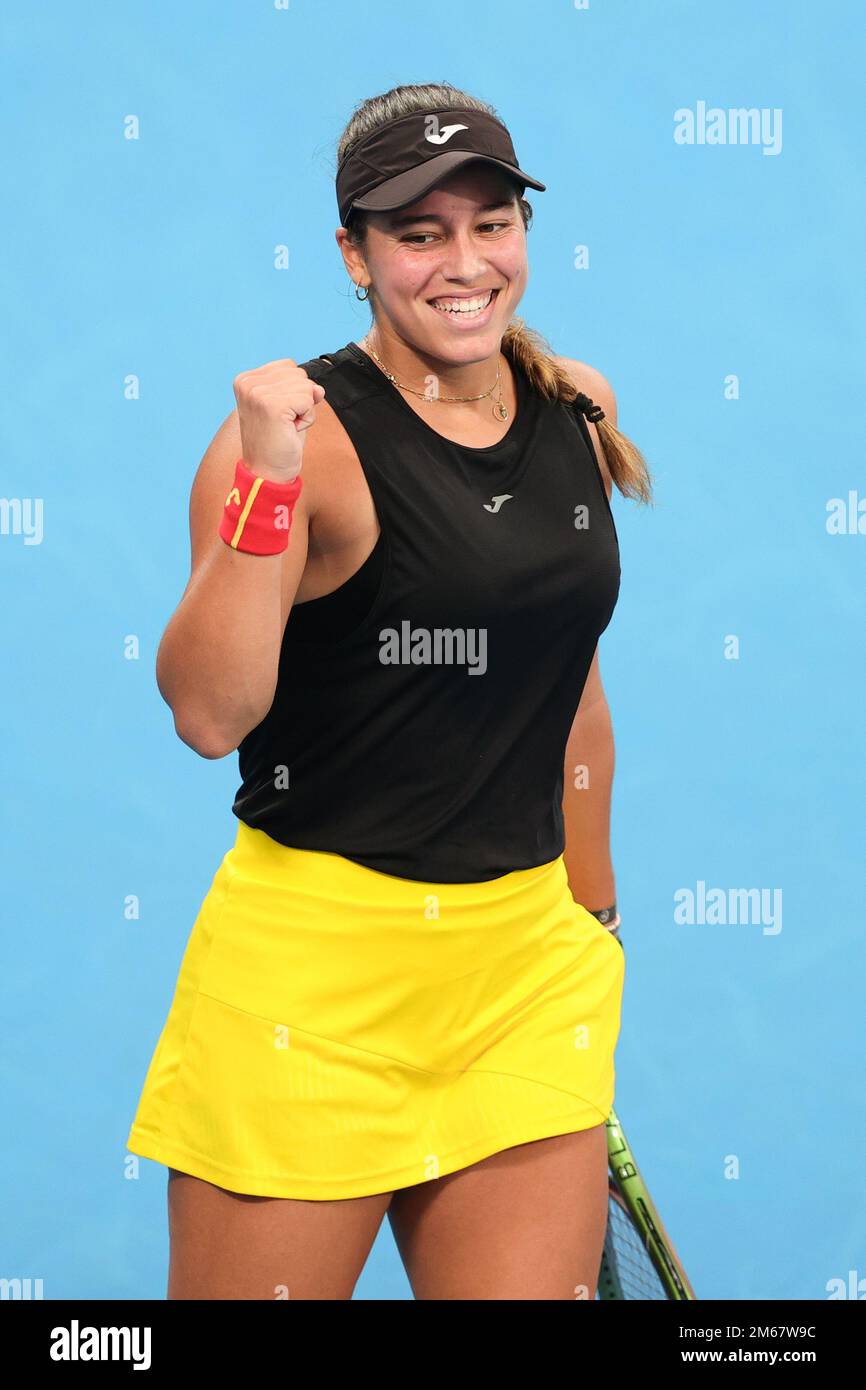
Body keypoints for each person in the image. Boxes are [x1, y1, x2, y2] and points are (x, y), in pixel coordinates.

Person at [125, 81, 654, 1301]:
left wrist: (594, 925)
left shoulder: (574, 408)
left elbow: (566, 690)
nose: (463, 263)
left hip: (523, 971)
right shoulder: (294, 445)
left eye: (491, 224)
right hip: (310, 985)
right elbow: (209, 715)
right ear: (353, 256)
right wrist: (265, 480)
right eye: (418, 234)